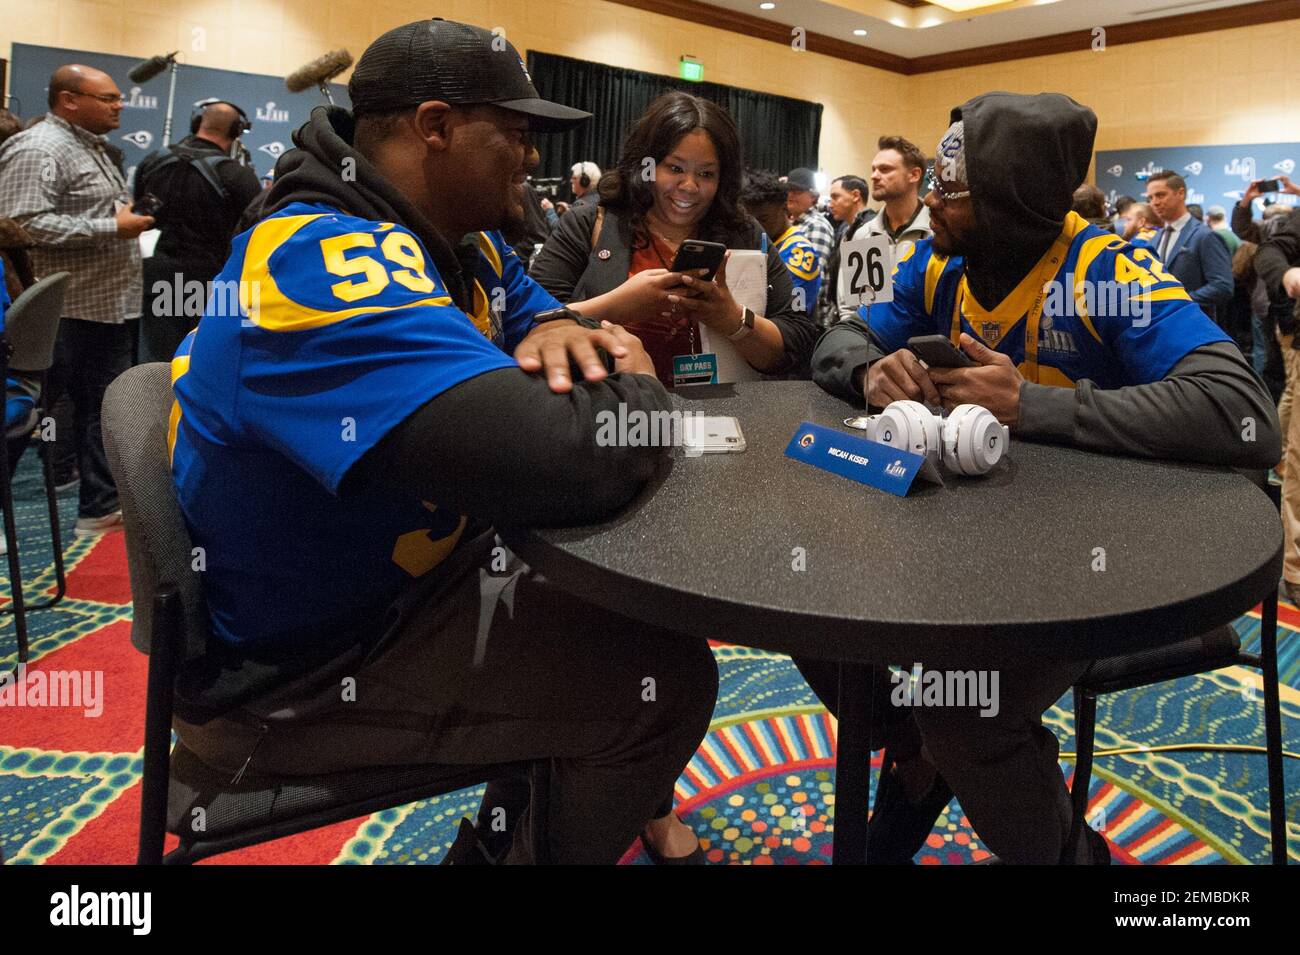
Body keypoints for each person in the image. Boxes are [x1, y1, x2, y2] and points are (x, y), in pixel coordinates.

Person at [168, 18, 718, 865]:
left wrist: (566, 353)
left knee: (623, 611)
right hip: (305, 668)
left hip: (400, 588)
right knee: (667, 683)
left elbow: (559, 332)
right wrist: (638, 366)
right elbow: (581, 454)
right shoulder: (315, 260)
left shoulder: (468, 244)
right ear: (435, 126)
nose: (531, 157)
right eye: (518, 132)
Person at [808, 92, 1279, 865]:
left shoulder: (1107, 270)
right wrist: (870, 369)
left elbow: (1245, 413)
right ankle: (919, 750)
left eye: (950, 192)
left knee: (962, 715)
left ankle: (1006, 801)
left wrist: (1033, 407)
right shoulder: (937, 263)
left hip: (1091, 566)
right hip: (970, 551)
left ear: (1006, 202)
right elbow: (837, 340)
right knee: (812, 605)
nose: (928, 198)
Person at [529, 91, 816, 389]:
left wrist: (732, 320)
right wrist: (617, 305)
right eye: (675, 168)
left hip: (721, 424)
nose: (689, 186)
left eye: (706, 173)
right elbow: (533, 322)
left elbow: (795, 343)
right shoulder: (593, 221)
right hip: (611, 418)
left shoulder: (744, 232)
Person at [0, 64, 154, 539]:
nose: (119, 104)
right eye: (107, 98)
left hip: (106, 306)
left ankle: (99, 508)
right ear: (68, 100)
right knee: (21, 421)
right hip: (61, 311)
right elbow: (17, 224)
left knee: (101, 410)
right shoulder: (39, 147)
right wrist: (113, 228)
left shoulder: (91, 146)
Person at [133, 100, 262, 363]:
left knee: (159, 365)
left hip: (159, 277)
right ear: (237, 131)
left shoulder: (152, 162)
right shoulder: (237, 175)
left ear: (197, 123)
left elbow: (140, 212)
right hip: (215, 283)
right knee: (208, 362)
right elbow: (256, 231)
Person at [1146, 170, 1233, 321]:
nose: (1155, 202)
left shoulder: (1205, 236)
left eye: (1160, 195)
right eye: (1150, 198)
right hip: (1160, 326)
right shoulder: (1154, 239)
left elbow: (1222, 286)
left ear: (1180, 193)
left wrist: (1179, 301)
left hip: (1194, 326)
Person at [740, 169, 821, 317]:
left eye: (763, 219)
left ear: (784, 208)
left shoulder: (799, 252)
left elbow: (791, 316)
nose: (755, 227)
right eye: (749, 220)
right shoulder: (764, 242)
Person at [861, 135, 932, 264]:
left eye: (885, 169)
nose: (874, 176)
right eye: (874, 169)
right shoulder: (863, 235)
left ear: (914, 175)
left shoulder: (938, 233)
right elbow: (860, 285)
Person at [825, 174, 873, 324]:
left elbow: (866, 295)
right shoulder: (845, 229)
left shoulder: (870, 229)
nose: (830, 204)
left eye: (835, 197)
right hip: (843, 317)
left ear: (855, 195)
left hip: (859, 323)